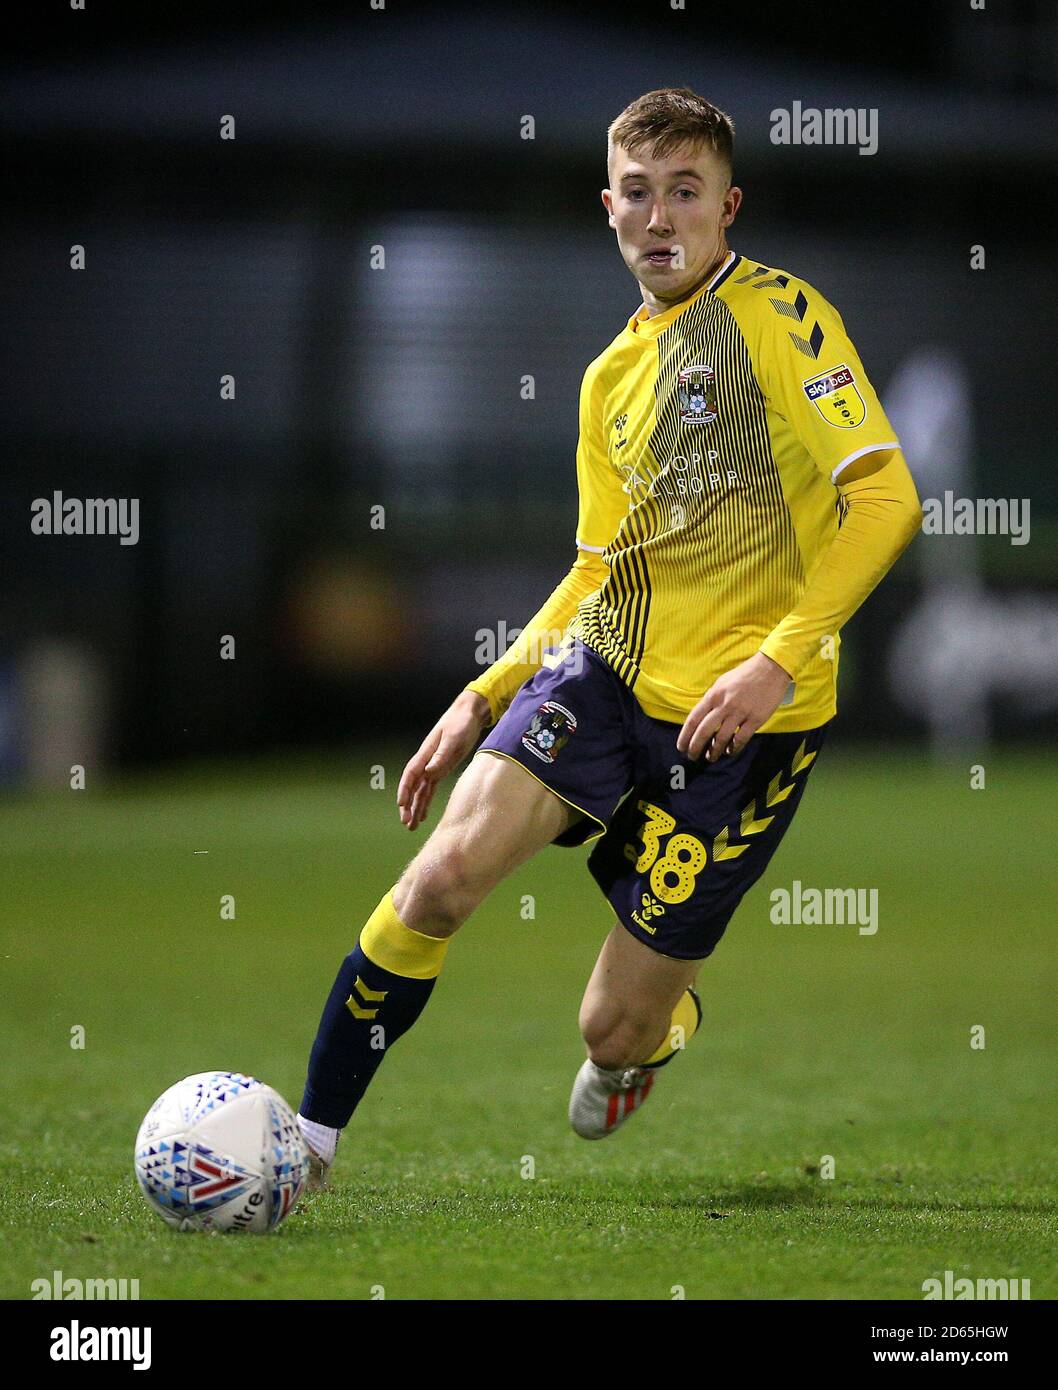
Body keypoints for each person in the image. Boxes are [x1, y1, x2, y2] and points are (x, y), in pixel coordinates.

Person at [296, 86, 923, 1180]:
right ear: (608, 206)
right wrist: (484, 694)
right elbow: (597, 569)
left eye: (685, 192)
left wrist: (777, 663)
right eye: (638, 193)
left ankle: (656, 1033)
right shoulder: (606, 377)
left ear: (729, 206)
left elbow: (883, 500)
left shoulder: (779, 321)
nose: (660, 216)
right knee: (439, 878)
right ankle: (302, 1147)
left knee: (609, 1033)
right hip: (605, 678)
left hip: (743, 733)